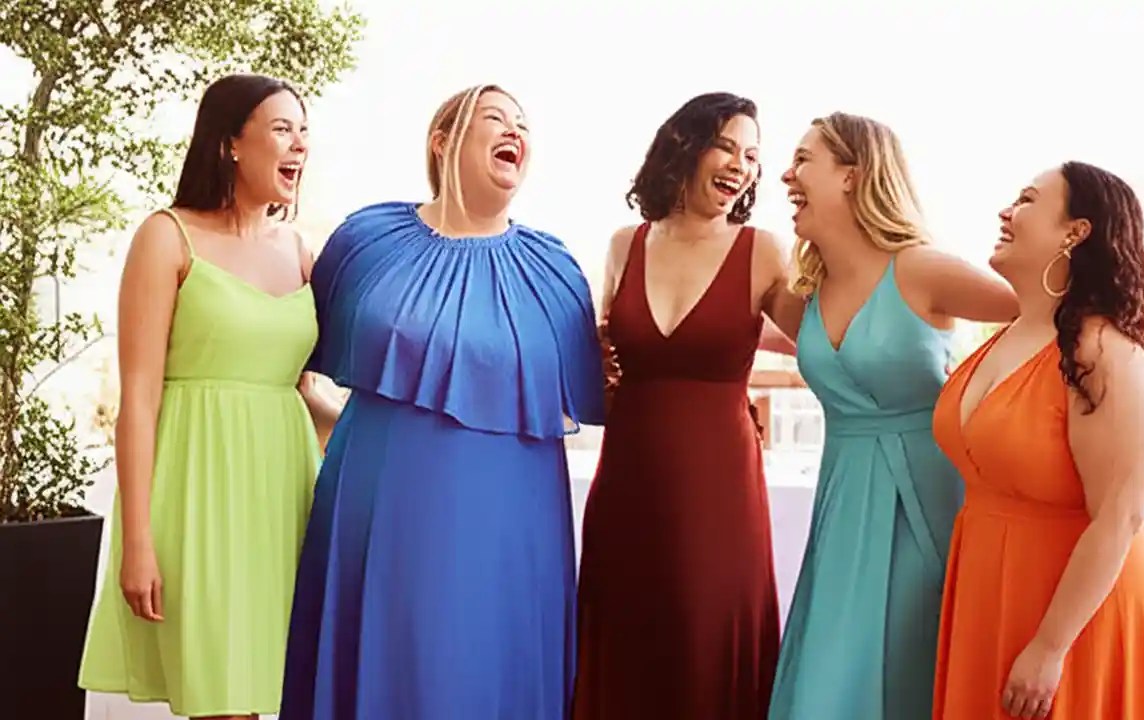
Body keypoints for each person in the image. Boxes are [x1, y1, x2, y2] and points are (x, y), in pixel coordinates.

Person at [279, 84, 605, 720]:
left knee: (484, 673)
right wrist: (352, 439)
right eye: (495, 119)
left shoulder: (556, 271)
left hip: (515, 527)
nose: (515, 132)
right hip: (381, 510)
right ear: (443, 141)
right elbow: (292, 362)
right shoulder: (366, 241)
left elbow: (605, 391)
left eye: (523, 125)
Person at [78, 73, 339, 720]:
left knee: (284, 690)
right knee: (224, 702)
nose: (299, 144)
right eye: (282, 129)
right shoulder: (167, 236)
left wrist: (398, 433)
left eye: (304, 131)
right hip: (197, 496)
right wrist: (136, 538)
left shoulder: (302, 253)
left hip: (285, 495)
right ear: (229, 143)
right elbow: (137, 397)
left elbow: (308, 390)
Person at [931, 161, 1144, 719]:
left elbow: (1119, 517)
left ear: (1074, 232)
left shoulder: (1104, 354)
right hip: (994, 587)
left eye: (1027, 200)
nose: (1006, 212)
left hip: (1077, 612)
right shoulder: (1009, 337)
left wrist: (1050, 646)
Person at [769, 113, 1019, 720]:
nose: (786, 174)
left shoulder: (919, 268)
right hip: (843, 499)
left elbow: (1034, 312)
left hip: (928, 500)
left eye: (804, 160)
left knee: (917, 661)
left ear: (852, 174)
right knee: (830, 676)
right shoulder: (807, 293)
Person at [573, 92, 797, 720]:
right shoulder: (625, 244)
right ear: (686, 145)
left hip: (719, 492)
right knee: (625, 627)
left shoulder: (765, 251)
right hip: (629, 482)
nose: (741, 164)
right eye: (727, 145)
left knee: (706, 635)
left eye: (753, 154)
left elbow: (829, 343)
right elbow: (593, 352)